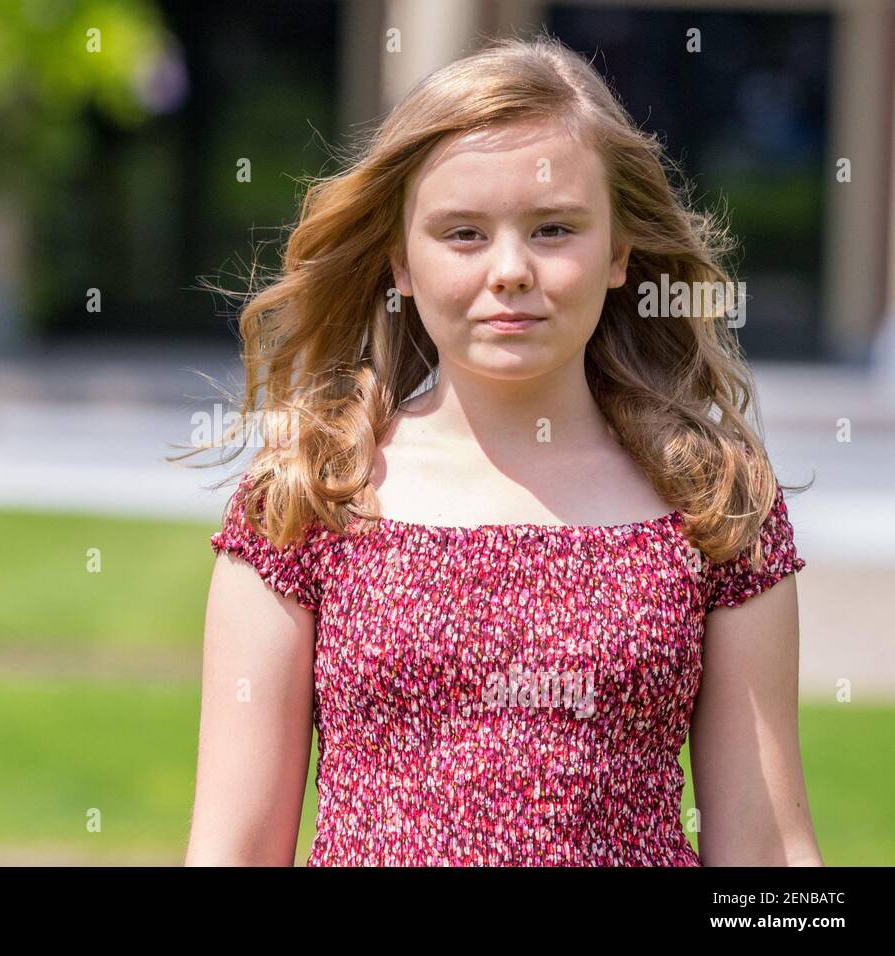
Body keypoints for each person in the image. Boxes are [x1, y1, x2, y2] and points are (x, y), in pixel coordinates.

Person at [183, 33, 821, 867]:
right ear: (399, 263)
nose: (511, 270)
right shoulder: (309, 496)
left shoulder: (715, 503)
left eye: (554, 229)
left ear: (620, 252)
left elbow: (767, 851)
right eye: (463, 234)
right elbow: (232, 847)